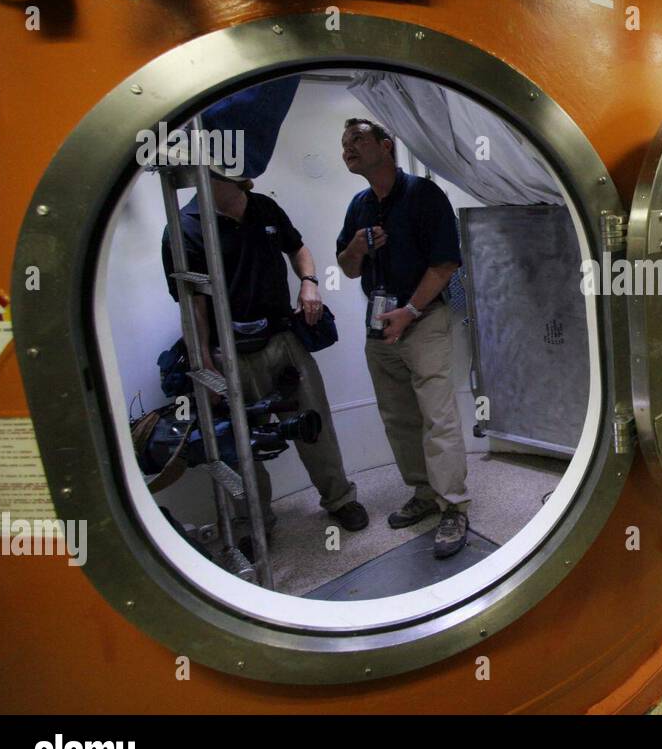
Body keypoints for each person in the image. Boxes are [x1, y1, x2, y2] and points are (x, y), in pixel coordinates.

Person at [161, 163, 370, 548]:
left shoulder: (263, 208)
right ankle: (254, 524)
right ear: (208, 175)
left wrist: (309, 283)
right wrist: (204, 363)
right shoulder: (185, 227)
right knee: (241, 445)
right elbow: (193, 307)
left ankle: (339, 498)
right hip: (229, 353)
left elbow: (298, 247)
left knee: (314, 423)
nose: (244, 176)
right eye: (231, 170)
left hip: (282, 339)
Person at [335, 118, 471, 559]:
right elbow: (349, 267)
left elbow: (446, 263)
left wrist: (409, 312)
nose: (347, 148)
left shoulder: (424, 195)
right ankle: (423, 492)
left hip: (422, 320)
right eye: (343, 144)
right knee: (398, 417)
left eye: (356, 139)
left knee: (438, 416)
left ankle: (453, 506)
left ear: (386, 146)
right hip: (379, 328)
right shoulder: (358, 205)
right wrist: (357, 245)